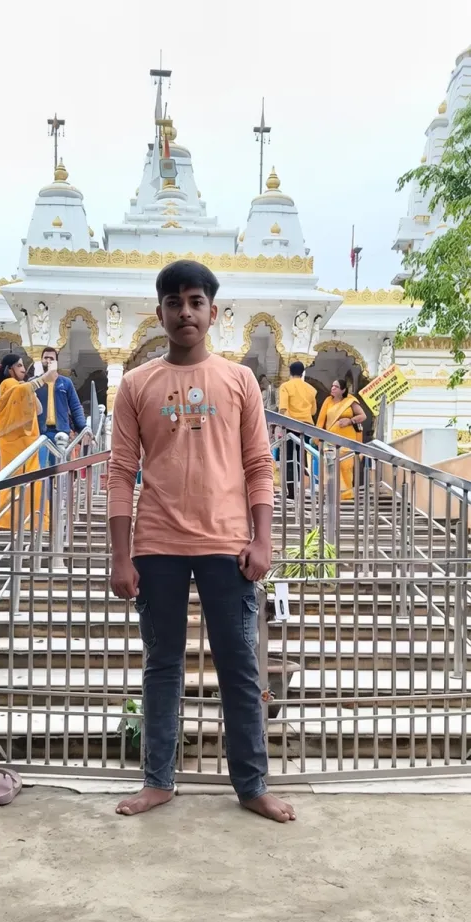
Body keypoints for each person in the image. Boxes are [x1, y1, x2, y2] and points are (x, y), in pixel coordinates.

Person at [108, 258, 295, 824]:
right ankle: (157, 780)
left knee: (239, 666)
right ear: (159, 312)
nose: (184, 312)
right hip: (158, 545)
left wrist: (263, 541)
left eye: (195, 302)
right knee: (162, 665)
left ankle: (251, 784)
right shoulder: (136, 385)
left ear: (214, 312)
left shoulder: (239, 381)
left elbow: (260, 466)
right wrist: (121, 556)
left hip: (228, 546)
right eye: (173, 302)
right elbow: (120, 471)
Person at [0, 353, 54, 529]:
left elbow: (40, 410)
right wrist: (43, 379)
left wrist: (32, 389)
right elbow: (19, 391)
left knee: (30, 482)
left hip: (26, 442)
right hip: (15, 442)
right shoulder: (8, 384)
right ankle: (8, 521)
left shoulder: (20, 386)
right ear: (9, 369)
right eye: (19, 366)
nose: (22, 369)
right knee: (16, 479)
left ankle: (30, 521)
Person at [316, 379, 366, 500]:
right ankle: (332, 495)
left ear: (343, 390)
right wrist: (317, 439)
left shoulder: (350, 401)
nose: (332, 388)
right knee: (330, 468)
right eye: (332, 386)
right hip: (330, 441)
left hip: (347, 441)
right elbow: (321, 421)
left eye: (336, 387)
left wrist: (350, 420)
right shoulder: (328, 401)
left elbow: (363, 416)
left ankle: (346, 496)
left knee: (345, 468)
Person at [36, 347, 86, 466]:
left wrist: (83, 428)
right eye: (45, 358)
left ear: (56, 362)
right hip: (39, 432)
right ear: (41, 360)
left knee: (59, 468)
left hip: (60, 433)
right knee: (40, 468)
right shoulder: (34, 383)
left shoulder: (65, 382)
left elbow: (75, 407)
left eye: (51, 359)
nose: (48, 361)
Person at [278, 361, 317, 499]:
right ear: (302, 372)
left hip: (291, 424)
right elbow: (313, 411)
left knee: (289, 457)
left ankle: (292, 491)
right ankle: (305, 486)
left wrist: (280, 427)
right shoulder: (311, 389)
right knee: (302, 457)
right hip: (306, 426)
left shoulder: (286, 387)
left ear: (290, 372)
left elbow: (283, 408)